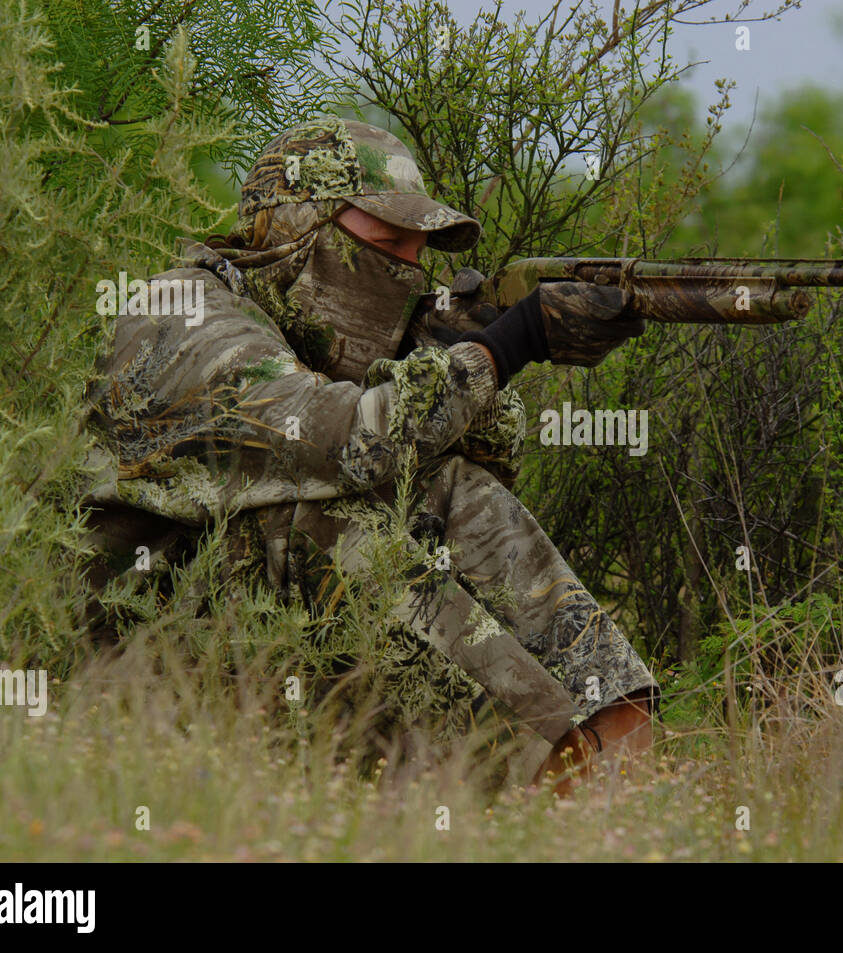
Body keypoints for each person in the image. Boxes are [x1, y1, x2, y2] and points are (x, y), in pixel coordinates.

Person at [79, 116, 656, 792]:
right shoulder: (179, 315)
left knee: (446, 484)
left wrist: (446, 352)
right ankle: (536, 779)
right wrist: (507, 343)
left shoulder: (305, 328)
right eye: (387, 244)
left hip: (246, 654)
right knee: (310, 519)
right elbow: (343, 441)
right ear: (298, 228)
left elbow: (487, 473)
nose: (406, 273)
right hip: (128, 660)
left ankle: (620, 741)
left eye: (417, 255)